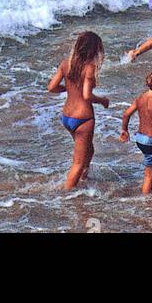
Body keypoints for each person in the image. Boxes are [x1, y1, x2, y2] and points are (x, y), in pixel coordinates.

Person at [47, 31, 108, 191]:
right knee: (78, 163)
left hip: (67, 116)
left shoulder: (66, 64)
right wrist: (102, 100)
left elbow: (51, 87)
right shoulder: (89, 68)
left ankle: (82, 181)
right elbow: (87, 96)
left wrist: (68, 89)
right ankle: (67, 196)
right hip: (83, 118)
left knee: (89, 150)